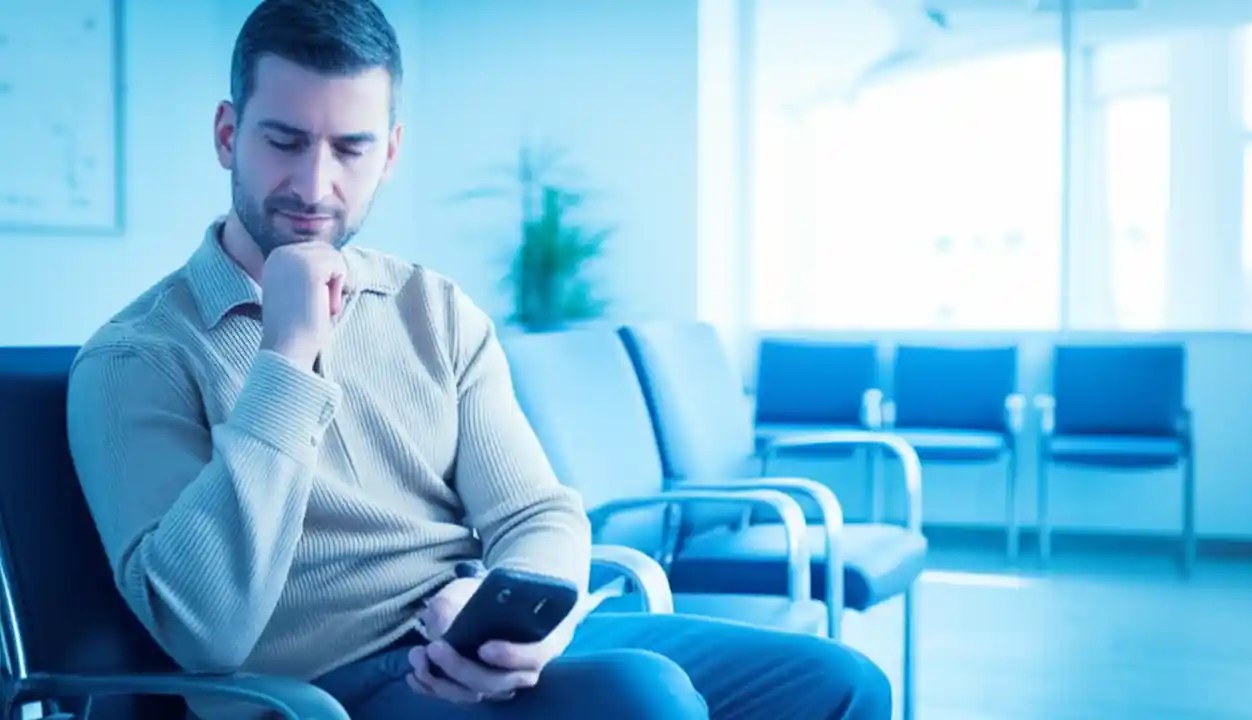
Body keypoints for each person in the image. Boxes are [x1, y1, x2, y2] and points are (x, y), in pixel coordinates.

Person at [65, 1, 892, 718]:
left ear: (388, 154)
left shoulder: (434, 309)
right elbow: (206, 631)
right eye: (284, 141)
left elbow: (538, 514)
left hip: (467, 639)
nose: (315, 184)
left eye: (350, 149)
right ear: (227, 134)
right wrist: (287, 354)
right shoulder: (136, 358)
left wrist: (524, 626)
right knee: (646, 701)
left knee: (840, 683)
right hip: (320, 691)